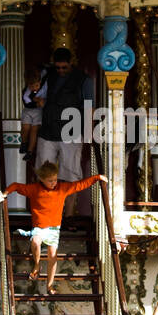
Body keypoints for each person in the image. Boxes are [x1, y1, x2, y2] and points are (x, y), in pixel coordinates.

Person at [0, 162, 104, 293]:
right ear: (41, 179)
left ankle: (50, 285)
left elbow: (79, 185)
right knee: (36, 241)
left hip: (54, 228)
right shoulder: (34, 189)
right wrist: (4, 193)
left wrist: (97, 177)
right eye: (50, 181)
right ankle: (36, 265)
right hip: (39, 227)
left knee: (52, 255)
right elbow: (15, 185)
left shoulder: (62, 188)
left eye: (55, 179)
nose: (54, 183)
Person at [36, 48, 93, 220]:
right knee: (44, 172)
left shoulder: (84, 80)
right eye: (58, 67)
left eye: (64, 68)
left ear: (71, 64)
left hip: (72, 130)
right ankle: (47, 214)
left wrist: (88, 134)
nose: (60, 71)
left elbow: (89, 107)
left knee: (70, 174)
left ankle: (68, 216)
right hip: (48, 129)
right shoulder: (47, 75)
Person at [19, 65, 48, 164]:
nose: (34, 88)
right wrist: (36, 102)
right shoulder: (26, 93)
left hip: (38, 111)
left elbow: (45, 70)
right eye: (31, 86)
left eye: (36, 85)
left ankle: (30, 151)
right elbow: (28, 103)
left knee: (34, 130)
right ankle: (24, 143)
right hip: (28, 109)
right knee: (26, 128)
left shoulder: (44, 79)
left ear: (39, 82)